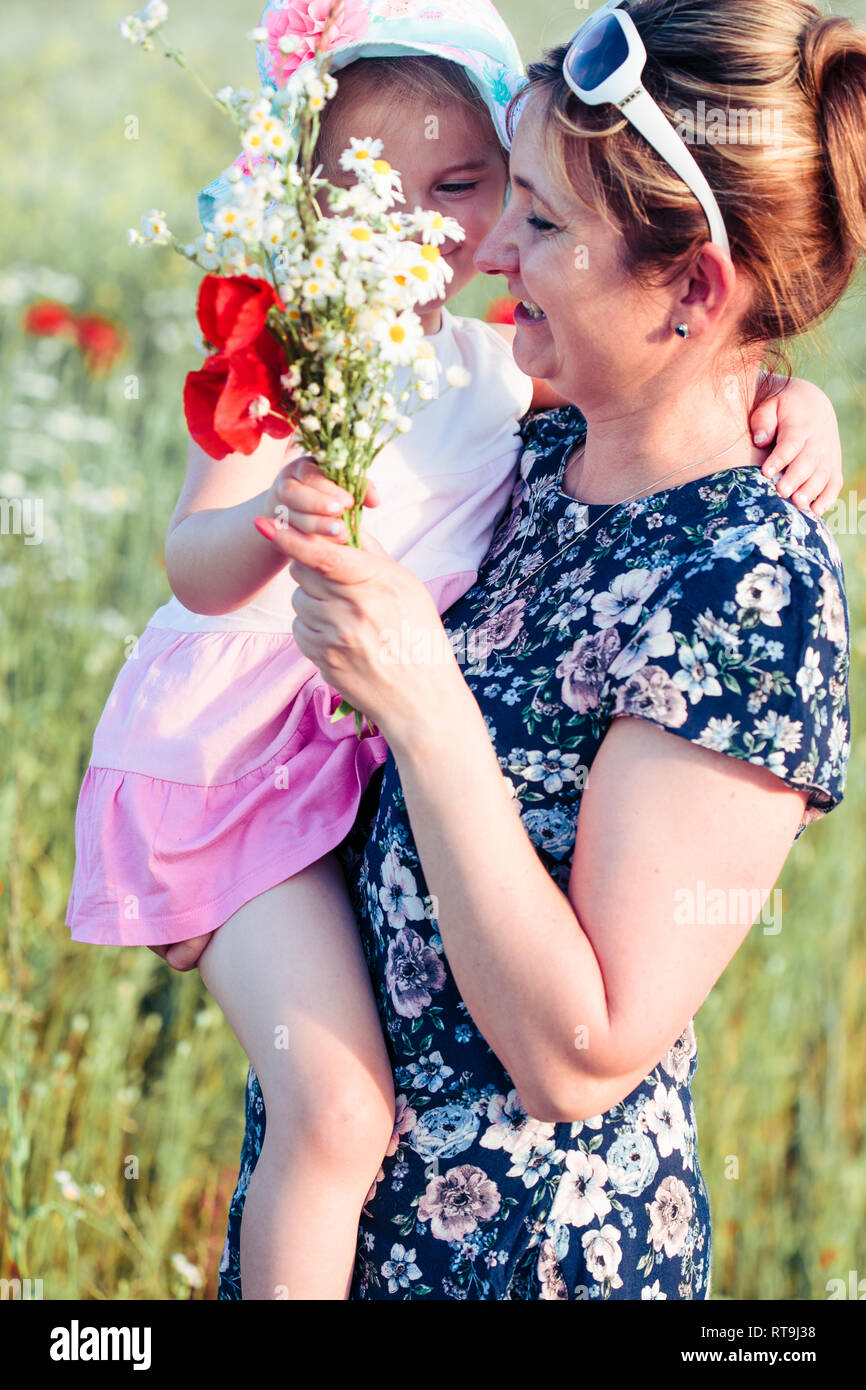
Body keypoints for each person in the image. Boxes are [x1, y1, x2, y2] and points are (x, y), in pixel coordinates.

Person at [208, 0, 859, 1299]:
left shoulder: (748, 591)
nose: (488, 243)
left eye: (544, 221)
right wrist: (224, 871)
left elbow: (582, 1056)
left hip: (526, 1259)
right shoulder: (544, 454)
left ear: (690, 288)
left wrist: (421, 699)